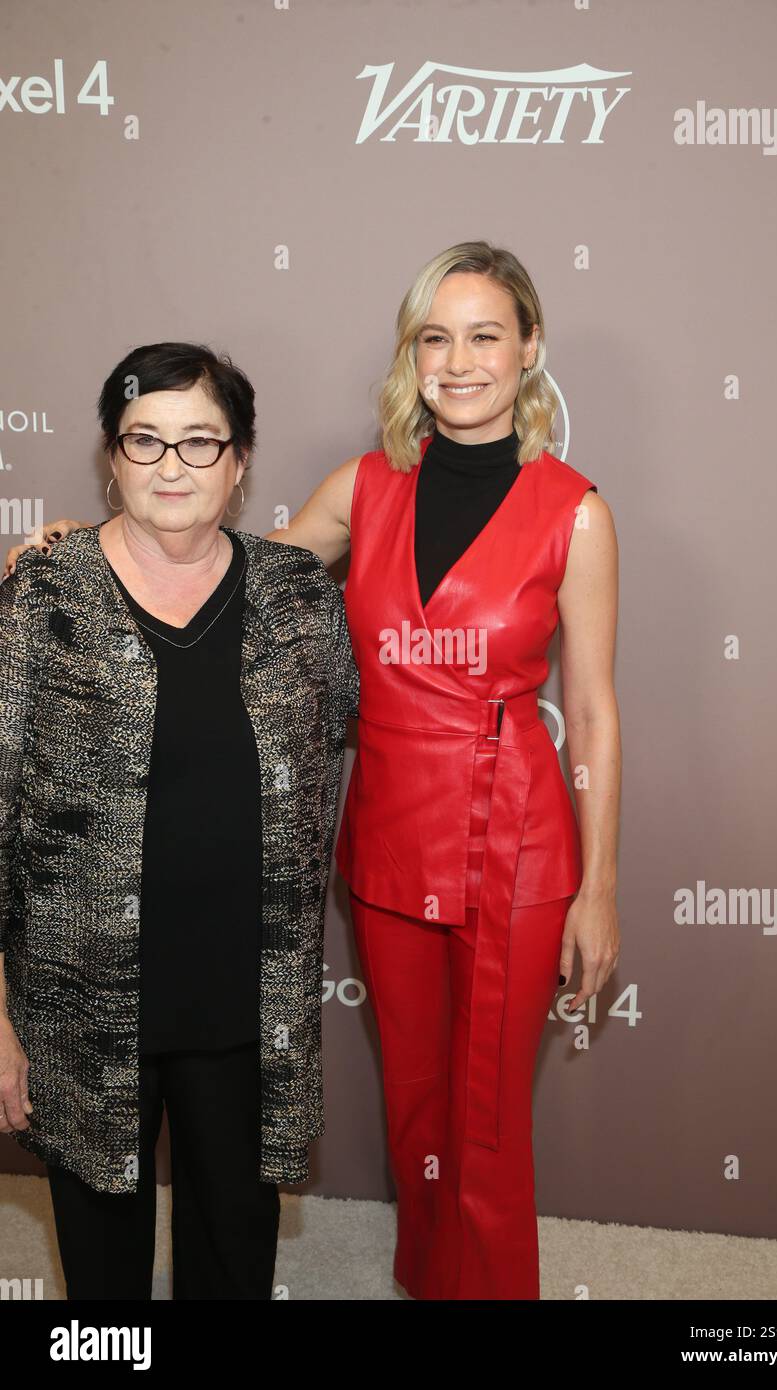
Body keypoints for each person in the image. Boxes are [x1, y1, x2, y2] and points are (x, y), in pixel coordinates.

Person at [8, 240, 621, 1301]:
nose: (459, 360)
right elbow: (222, 570)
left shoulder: (575, 510)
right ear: (410, 354)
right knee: (420, 1116)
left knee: (483, 1123)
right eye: (435, 336)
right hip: (385, 840)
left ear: (529, 350)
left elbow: (597, 713)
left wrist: (600, 885)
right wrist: (77, 551)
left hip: (514, 835)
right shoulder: (363, 489)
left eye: (485, 335)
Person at [0, 342, 358, 1300]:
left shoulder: (298, 596)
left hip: (248, 997)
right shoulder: (42, 594)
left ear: (240, 463)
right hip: (82, 1004)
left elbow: (354, 749)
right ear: (110, 460)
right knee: (104, 1267)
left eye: (200, 442)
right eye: (144, 440)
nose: (171, 465)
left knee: (236, 1240)